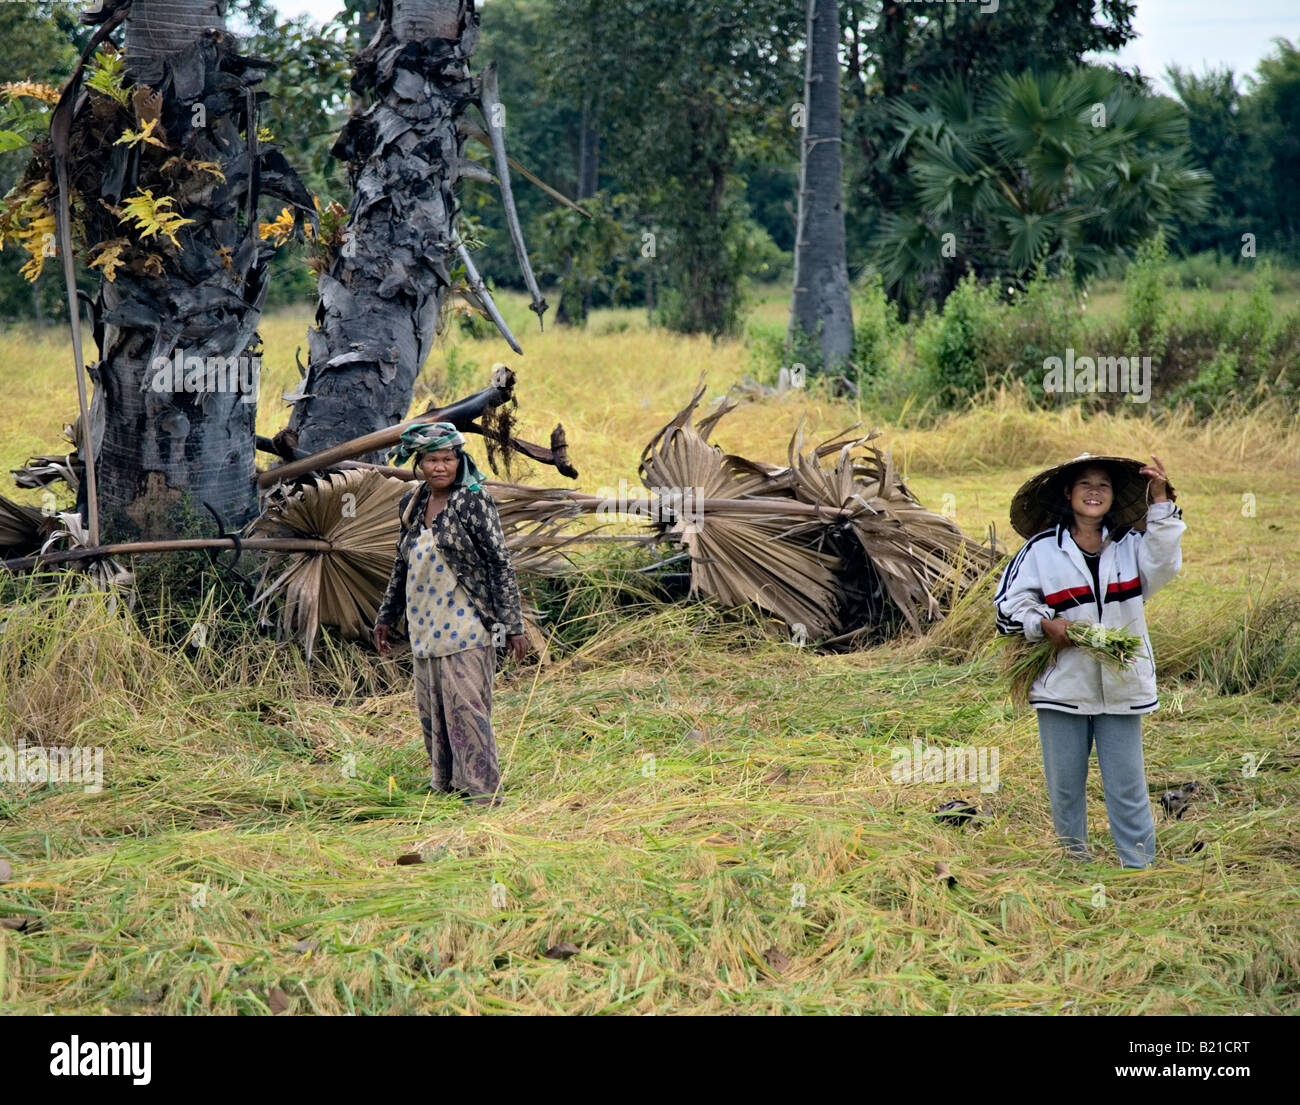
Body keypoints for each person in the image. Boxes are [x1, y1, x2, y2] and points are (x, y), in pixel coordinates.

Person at [994, 452, 1184, 868]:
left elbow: (1167, 561)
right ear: (1068, 493)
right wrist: (1044, 625)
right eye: (1085, 484)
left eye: (1104, 485)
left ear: (1114, 497)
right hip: (1063, 685)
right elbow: (1006, 606)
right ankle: (1073, 863)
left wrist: (1160, 501)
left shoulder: (1132, 547)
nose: (1094, 491)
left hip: (1123, 684)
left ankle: (1138, 867)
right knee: (1065, 786)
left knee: (1127, 785)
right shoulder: (1042, 550)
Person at [373, 421, 528, 806]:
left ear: (459, 460)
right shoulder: (412, 503)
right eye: (431, 460)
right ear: (419, 463)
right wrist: (386, 615)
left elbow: (499, 563)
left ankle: (483, 795)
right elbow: (401, 563)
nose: (440, 467)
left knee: (467, 710)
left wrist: (513, 626)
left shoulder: (473, 500)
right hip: (426, 625)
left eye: (447, 459)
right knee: (435, 712)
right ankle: (447, 785)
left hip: (468, 625)